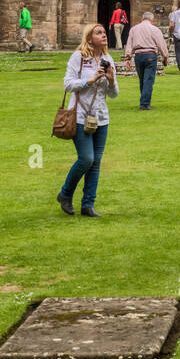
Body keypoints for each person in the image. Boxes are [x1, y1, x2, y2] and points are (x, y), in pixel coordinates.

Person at [56, 22, 119, 217]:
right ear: (89, 38)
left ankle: (88, 204)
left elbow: (114, 94)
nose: (104, 35)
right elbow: (67, 85)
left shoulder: (108, 59)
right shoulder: (79, 58)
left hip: (101, 117)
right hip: (80, 115)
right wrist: (89, 80)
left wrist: (110, 79)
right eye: (98, 33)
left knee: (96, 162)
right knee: (86, 159)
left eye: (104, 32)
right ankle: (65, 193)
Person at [124, 10, 169, 110]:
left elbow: (129, 44)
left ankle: (144, 100)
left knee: (142, 79)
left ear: (142, 19)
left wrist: (128, 58)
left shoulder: (134, 29)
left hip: (138, 55)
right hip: (150, 55)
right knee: (148, 80)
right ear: (152, 20)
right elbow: (161, 44)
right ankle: (144, 104)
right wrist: (165, 56)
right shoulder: (154, 29)